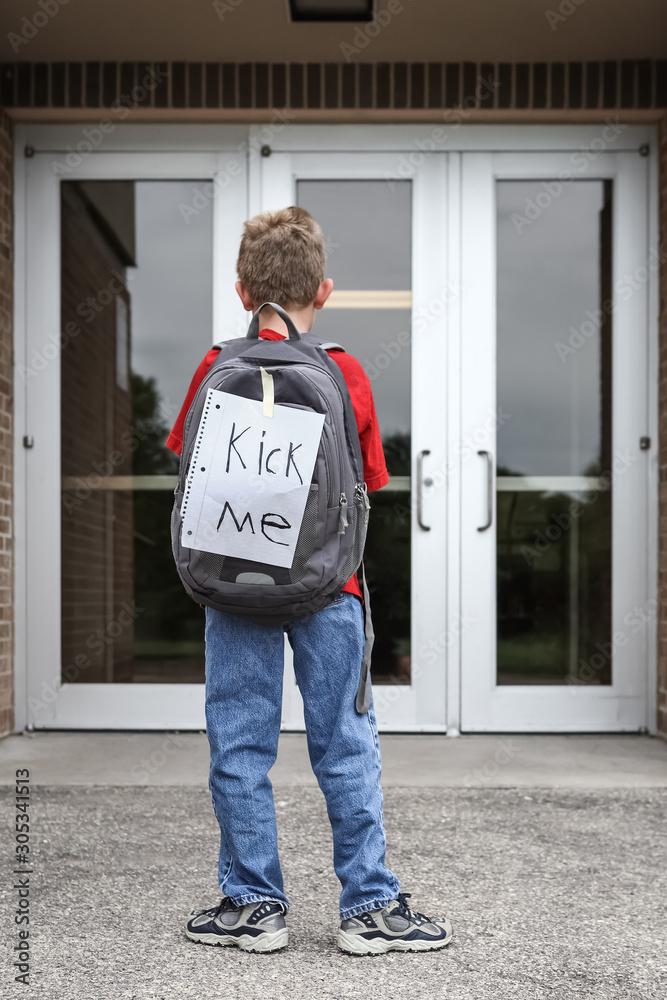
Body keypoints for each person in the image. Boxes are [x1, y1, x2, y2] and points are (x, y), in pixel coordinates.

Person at [166, 206, 452, 956]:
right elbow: (370, 482)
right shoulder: (343, 371)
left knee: (239, 746)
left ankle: (253, 906)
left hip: (235, 588)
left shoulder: (213, 364)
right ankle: (369, 909)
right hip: (332, 591)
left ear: (241, 291)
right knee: (346, 745)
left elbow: (190, 465)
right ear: (323, 291)